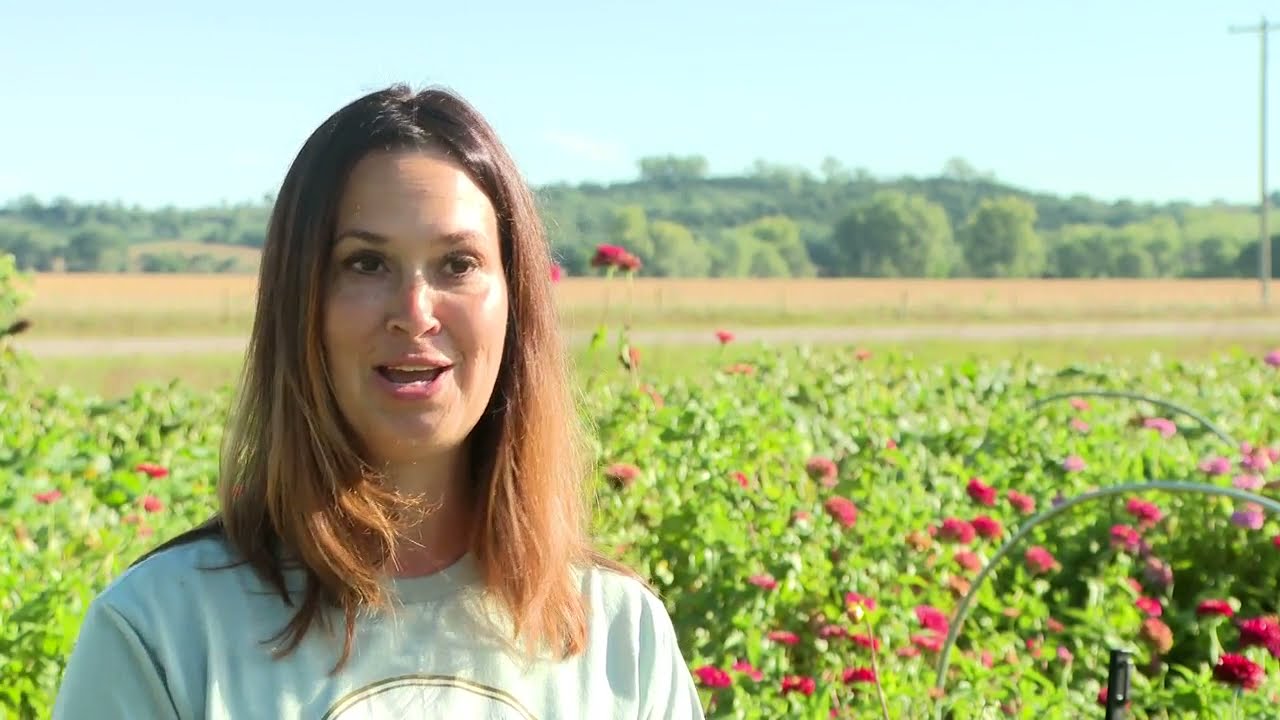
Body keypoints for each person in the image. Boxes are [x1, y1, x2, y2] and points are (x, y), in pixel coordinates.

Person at [52, 84, 706, 720]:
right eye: (366, 264)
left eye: (458, 264)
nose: (415, 313)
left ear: (518, 304)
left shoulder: (620, 635)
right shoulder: (162, 632)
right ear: (299, 303)